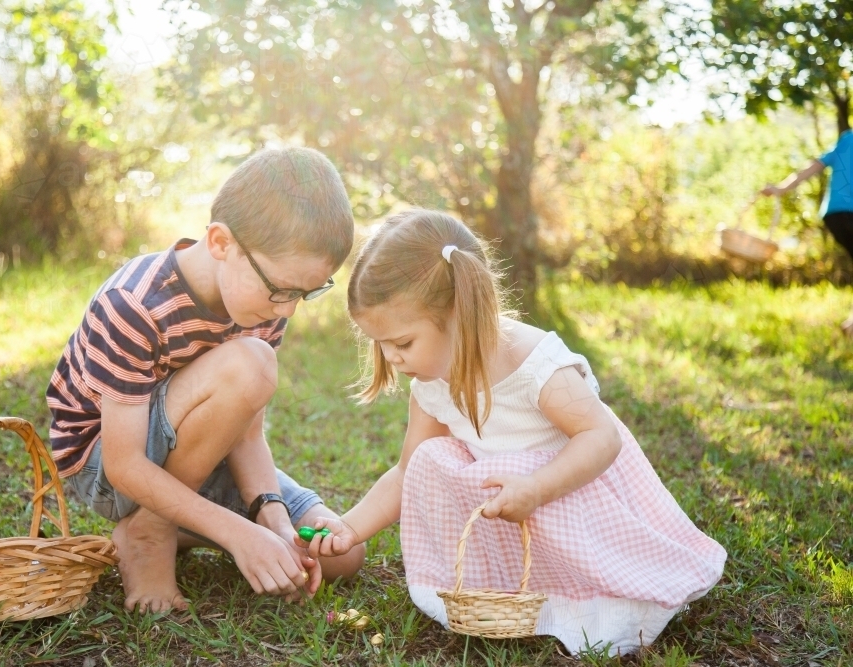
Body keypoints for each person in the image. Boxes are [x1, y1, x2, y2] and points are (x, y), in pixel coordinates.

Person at [299, 209, 726, 655]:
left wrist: (538, 487)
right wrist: (350, 527)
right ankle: (513, 586)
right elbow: (407, 472)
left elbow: (601, 437)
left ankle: (581, 591)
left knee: (600, 602)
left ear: (460, 314)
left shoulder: (533, 364)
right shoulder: (432, 384)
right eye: (379, 344)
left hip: (573, 501)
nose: (393, 358)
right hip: (514, 519)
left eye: (402, 343)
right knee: (431, 457)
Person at [47, 147, 365, 613]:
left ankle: (185, 526)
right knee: (249, 364)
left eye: (306, 293)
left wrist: (272, 521)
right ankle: (148, 533)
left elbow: (246, 432)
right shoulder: (134, 304)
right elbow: (124, 465)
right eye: (283, 290)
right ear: (220, 243)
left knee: (339, 554)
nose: (289, 309)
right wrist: (239, 533)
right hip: (108, 465)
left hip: (203, 453)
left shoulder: (263, 299)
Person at [761, 129, 853, 335]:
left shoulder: (847, 139)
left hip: (834, 214)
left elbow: (813, 167)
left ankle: (851, 324)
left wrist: (780, 188)